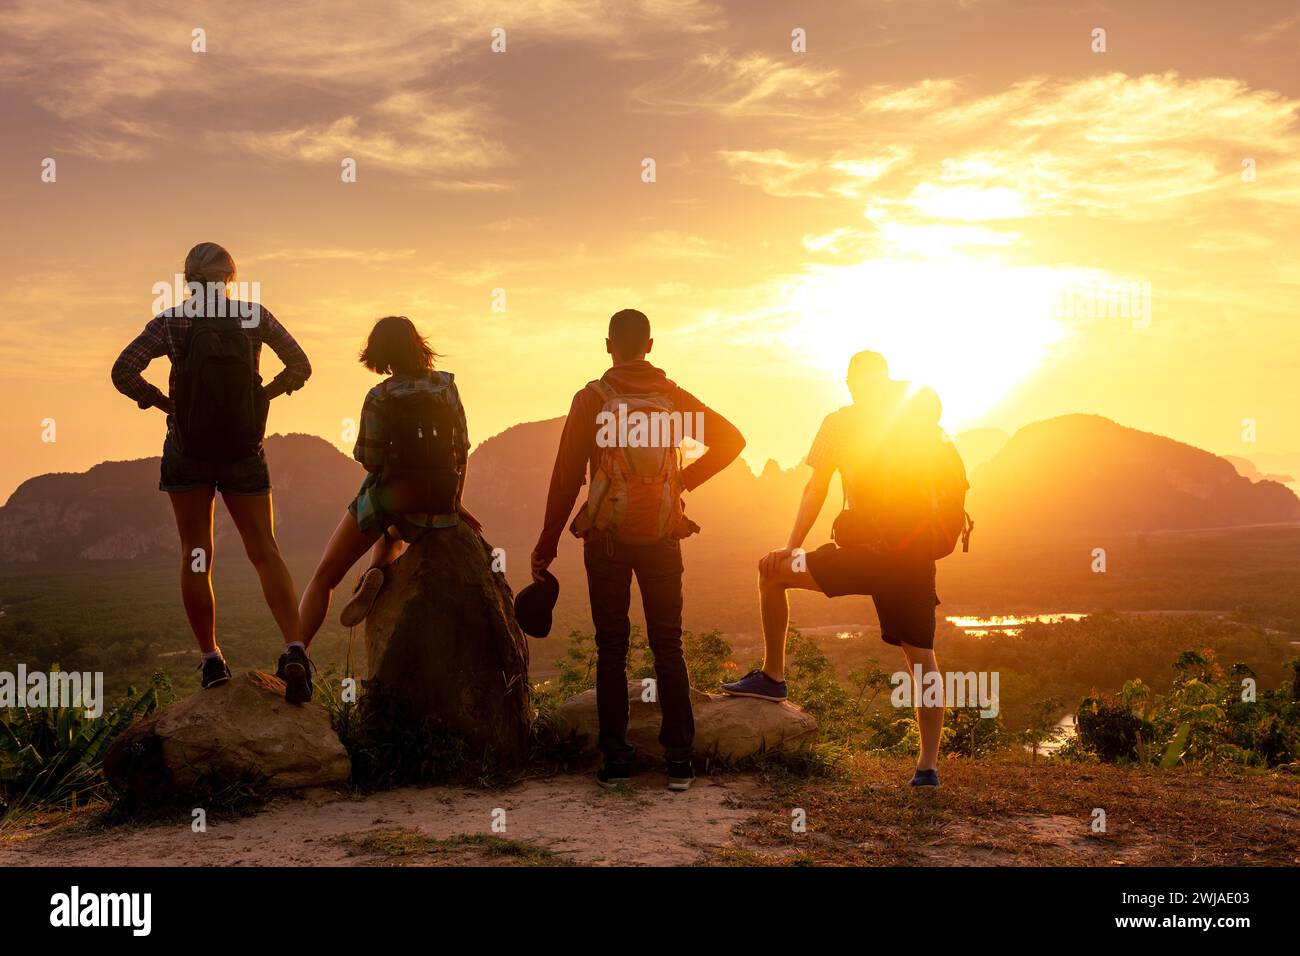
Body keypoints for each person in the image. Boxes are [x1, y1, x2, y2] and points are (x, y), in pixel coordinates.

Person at [721, 351, 962, 788]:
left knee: (771, 572)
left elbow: (817, 486)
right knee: (922, 660)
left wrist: (789, 547)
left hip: (862, 553)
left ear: (851, 381)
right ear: (886, 380)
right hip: (912, 561)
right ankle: (928, 767)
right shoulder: (917, 423)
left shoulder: (840, 423)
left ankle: (774, 675)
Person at [531, 308, 745, 791]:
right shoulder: (672, 397)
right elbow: (732, 441)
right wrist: (681, 482)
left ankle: (617, 760)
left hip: (607, 538)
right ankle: (680, 762)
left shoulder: (592, 399)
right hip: (664, 536)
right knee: (668, 644)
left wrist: (546, 546)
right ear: (650, 346)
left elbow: (567, 479)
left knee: (613, 646)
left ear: (609, 345)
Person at [111, 242, 312, 699]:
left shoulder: (172, 321)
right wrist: (265, 397)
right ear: (230, 278)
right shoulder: (253, 314)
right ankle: (295, 649)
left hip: (188, 451)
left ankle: (211, 661)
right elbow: (301, 365)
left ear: (188, 279)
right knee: (266, 551)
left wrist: (164, 403)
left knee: (195, 556)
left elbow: (123, 370)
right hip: (245, 450)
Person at [296, 316, 478, 689]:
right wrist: (455, 501)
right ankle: (378, 568)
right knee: (396, 529)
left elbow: (370, 459)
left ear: (380, 353)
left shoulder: (380, 397)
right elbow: (462, 449)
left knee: (325, 576)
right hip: (440, 500)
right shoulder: (447, 387)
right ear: (418, 344)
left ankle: (294, 655)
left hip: (393, 499)